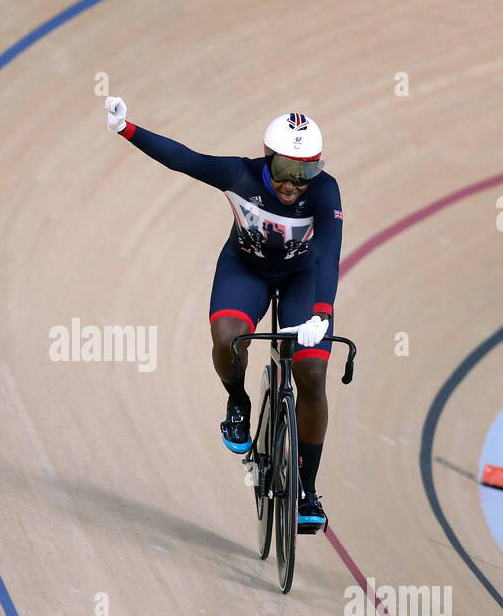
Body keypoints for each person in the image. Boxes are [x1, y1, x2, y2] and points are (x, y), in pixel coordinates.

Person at [105, 97, 342, 530]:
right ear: (268, 158)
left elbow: (327, 255)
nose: (294, 183)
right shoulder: (239, 174)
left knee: (311, 376)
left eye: (305, 172)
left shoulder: (325, 192)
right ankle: (238, 400)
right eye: (286, 170)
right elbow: (185, 159)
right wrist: (128, 129)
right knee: (227, 339)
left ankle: (307, 492)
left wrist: (321, 317)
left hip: (302, 281)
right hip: (246, 269)